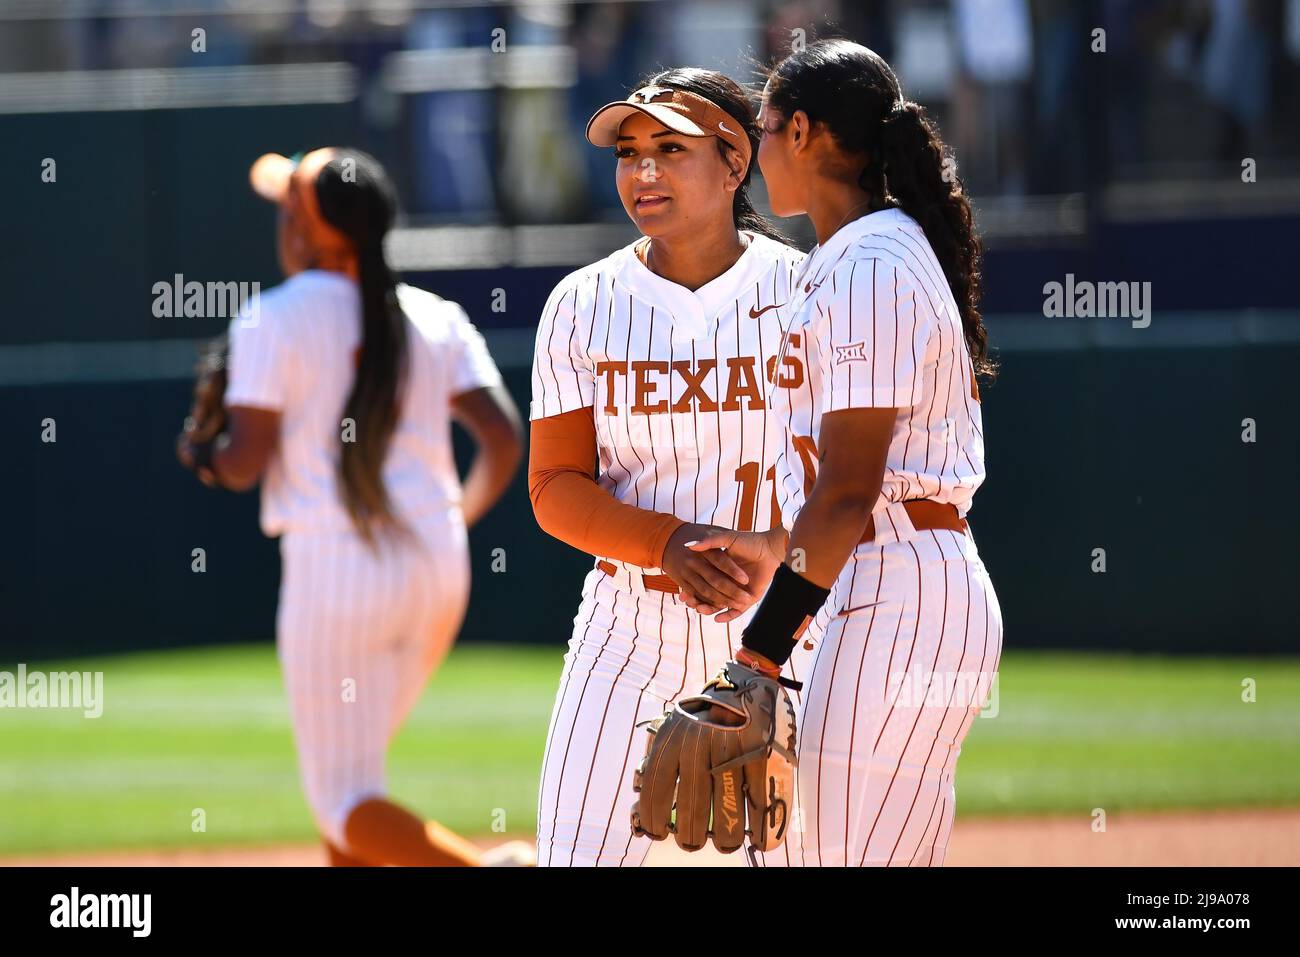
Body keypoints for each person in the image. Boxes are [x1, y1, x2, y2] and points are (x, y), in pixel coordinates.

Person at [685, 40, 1004, 867]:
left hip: (901, 587)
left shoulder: (870, 260)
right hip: (868, 582)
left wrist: (759, 650)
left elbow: (853, 490)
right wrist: (774, 558)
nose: (755, 154)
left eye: (764, 128)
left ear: (805, 134)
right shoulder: (853, 257)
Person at [176, 147, 527, 866]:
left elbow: (241, 464)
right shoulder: (434, 315)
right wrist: (454, 519)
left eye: (286, 210)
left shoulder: (273, 317)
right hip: (437, 566)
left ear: (306, 231)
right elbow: (502, 437)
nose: (280, 223)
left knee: (342, 799)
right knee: (356, 780)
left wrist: (202, 456)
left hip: (336, 573)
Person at [528, 68, 812, 866]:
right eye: (628, 151)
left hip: (786, 623)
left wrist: (777, 552)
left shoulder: (806, 292)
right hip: (628, 625)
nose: (642, 171)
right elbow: (553, 487)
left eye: (669, 148)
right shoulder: (582, 303)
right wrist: (668, 541)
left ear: (734, 161)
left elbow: (855, 489)